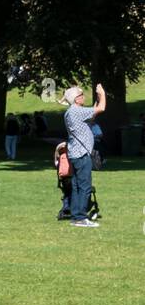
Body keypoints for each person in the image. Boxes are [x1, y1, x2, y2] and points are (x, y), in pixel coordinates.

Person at [61, 83, 105, 227]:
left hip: (75, 154)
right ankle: (80, 217)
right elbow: (101, 109)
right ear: (76, 99)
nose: (83, 96)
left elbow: (92, 116)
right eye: (81, 95)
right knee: (85, 186)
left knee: (76, 186)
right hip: (81, 154)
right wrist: (102, 94)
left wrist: (97, 98)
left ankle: (75, 216)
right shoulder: (76, 111)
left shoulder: (72, 112)